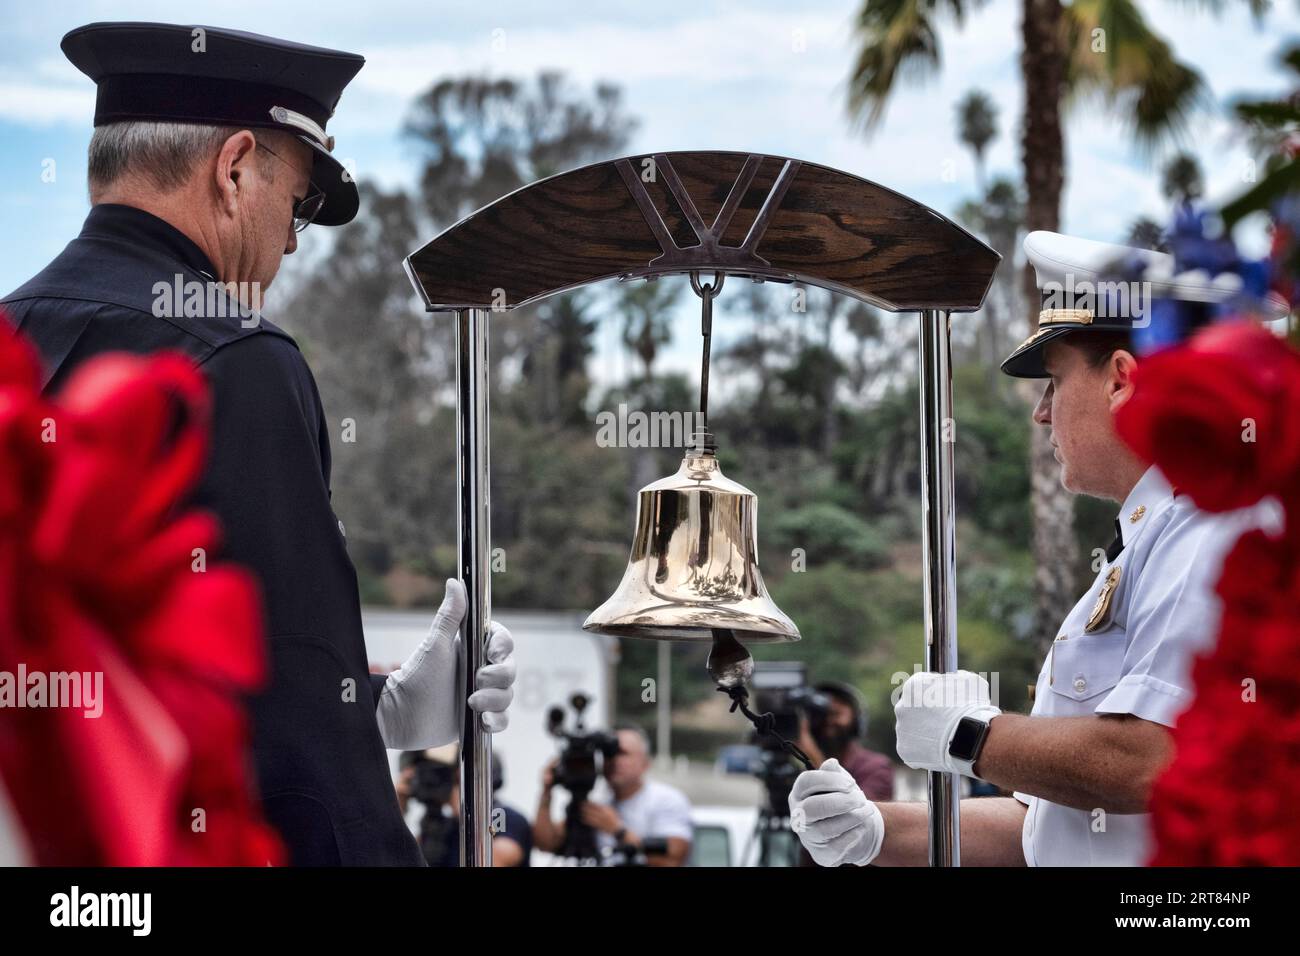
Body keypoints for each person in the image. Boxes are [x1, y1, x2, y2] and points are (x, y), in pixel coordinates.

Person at [1, 21, 517, 865]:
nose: (288, 239)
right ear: (235, 168)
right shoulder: (237, 359)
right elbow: (299, 749)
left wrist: (378, 706)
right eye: (301, 202)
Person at [789, 231, 1285, 867]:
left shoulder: (1210, 526)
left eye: (1053, 382)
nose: (1041, 414)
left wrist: (972, 734)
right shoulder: (1150, 542)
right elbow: (1046, 825)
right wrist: (878, 829)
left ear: (1121, 382)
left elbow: (1157, 760)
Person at [534, 724, 693, 866]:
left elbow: (672, 860)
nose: (615, 760)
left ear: (645, 763)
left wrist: (618, 831)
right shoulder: (599, 806)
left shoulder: (666, 800)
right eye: (609, 754)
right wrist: (546, 792)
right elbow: (545, 844)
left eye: (623, 753)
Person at [397, 748, 533, 867]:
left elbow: (492, 862)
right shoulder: (441, 827)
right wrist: (398, 808)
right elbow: (399, 857)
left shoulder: (504, 816)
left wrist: (462, 802)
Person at [796, 680, 893, 801]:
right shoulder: (792, 767)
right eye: (820, 716)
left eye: (835, 714)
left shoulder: (875, 767)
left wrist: (812, 758)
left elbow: (861, 814)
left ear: (857, 721)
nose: (827, 721)